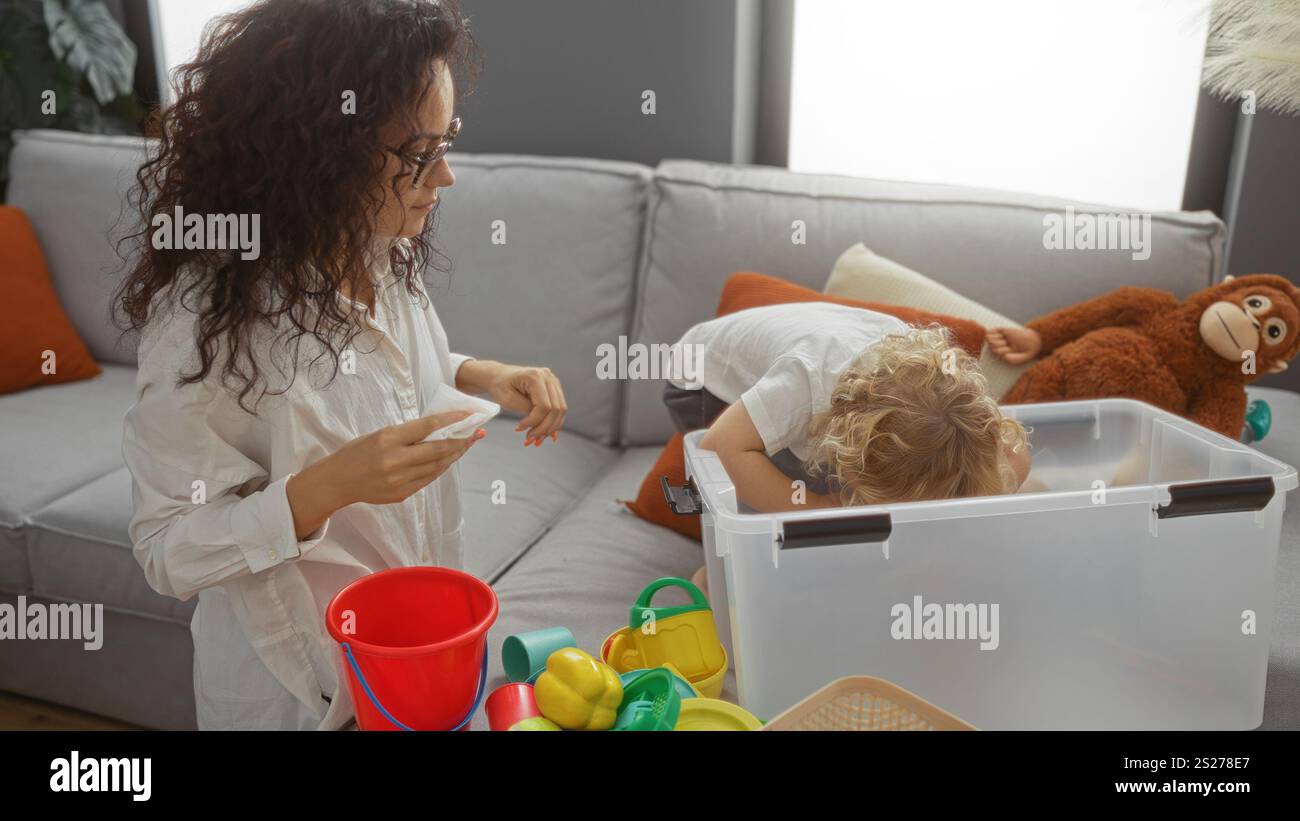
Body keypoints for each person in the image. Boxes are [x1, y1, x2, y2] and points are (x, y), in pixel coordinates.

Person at [115, 0, 566, 729]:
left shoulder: (377, 247)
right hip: (295, 688)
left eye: (446, 140)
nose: (444, 176)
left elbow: (361, 375)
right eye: (418, 154)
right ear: (317, 147)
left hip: (414, 655)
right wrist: (321, 491)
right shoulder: (207, 319)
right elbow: (166, 548)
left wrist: (476, 373)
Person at [666, 303, 1031, 514]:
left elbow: (1010, 458)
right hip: (702, 380)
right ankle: (721, 577)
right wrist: (814, 509)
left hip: (823, 358)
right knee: (789, 500)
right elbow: (720, 447)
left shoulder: (955, 396)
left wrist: (999, 482)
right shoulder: (804, 384)